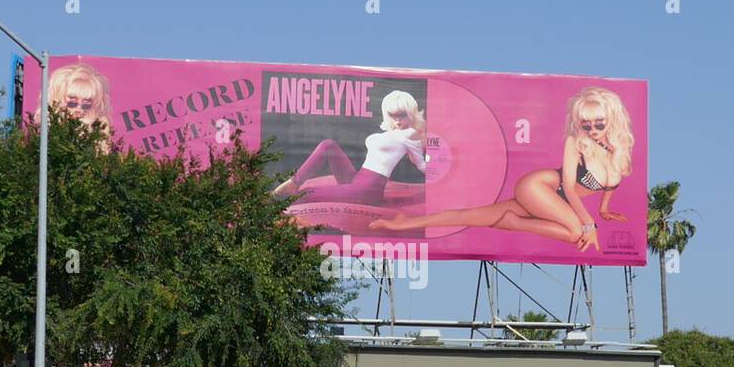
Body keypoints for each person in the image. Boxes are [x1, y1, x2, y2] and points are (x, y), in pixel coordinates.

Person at [369, 86, 634, 250]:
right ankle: (514, 223)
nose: (592, 130)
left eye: (598, 123)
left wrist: (604, 209)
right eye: (586, 124)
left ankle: (404, 224)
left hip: (554, 200)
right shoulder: (576, 141)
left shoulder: (620, 151)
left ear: (612, 119)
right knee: (576, 231)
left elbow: (611, 183)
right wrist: (590, 225)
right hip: (539, 187)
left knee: (472, 216)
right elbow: (572, 190)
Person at [272, 90, 427, 206]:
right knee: (328, 145)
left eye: (402, 115)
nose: (398, 120)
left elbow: (420, 164)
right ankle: (294, 182)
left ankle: (283, 199)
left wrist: (445, 177)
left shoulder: (411, 133)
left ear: (411, 113)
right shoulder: (393, 132)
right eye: (393, 115)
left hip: (367, 191)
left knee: (306, 194)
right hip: (357, 178)